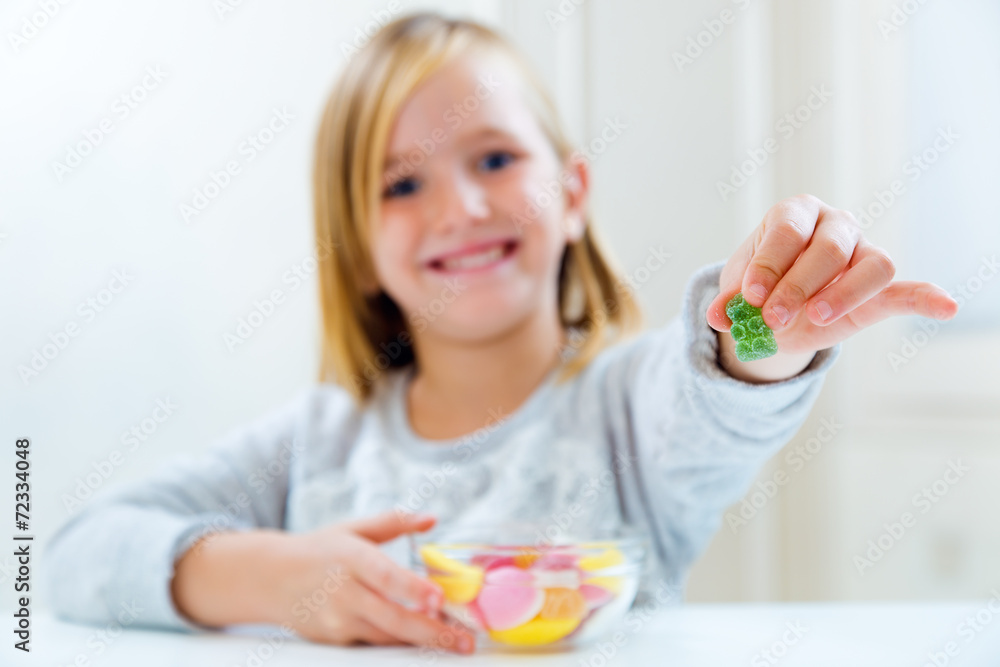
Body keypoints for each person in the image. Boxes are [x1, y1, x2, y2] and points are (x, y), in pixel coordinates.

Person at [41, 11, 958, 656]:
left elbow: (724, 389)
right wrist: (272, 577)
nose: (463, 207)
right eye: (402, 185)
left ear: (573, 195)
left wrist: (767, 320)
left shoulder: (626, 412)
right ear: (357, 253)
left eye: (494, 157)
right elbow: (76, 555)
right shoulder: (317, 441)